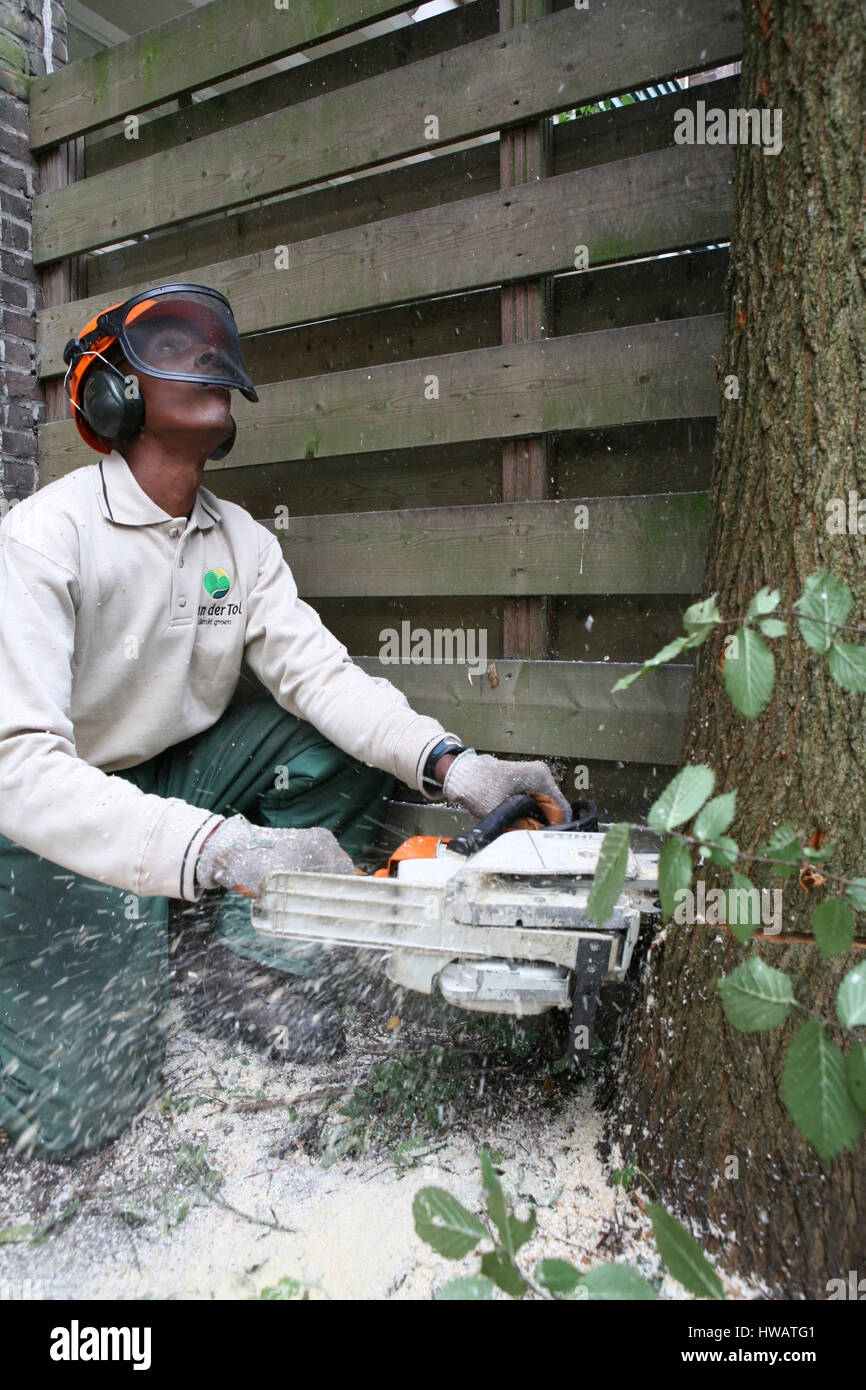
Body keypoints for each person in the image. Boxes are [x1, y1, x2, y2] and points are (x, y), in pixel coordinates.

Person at [0, 283, 570, 1159]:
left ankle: (241, 965)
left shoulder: (242, 546)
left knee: (325, 744)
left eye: (210, 346)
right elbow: (21, 771)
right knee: (83, 1106)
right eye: (171, 348)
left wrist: (456, 765)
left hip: (167, 777)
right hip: (47, 817)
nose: (204, 362)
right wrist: (225, 849)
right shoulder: (45, 539)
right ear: (111, 392)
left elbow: (322, 678)